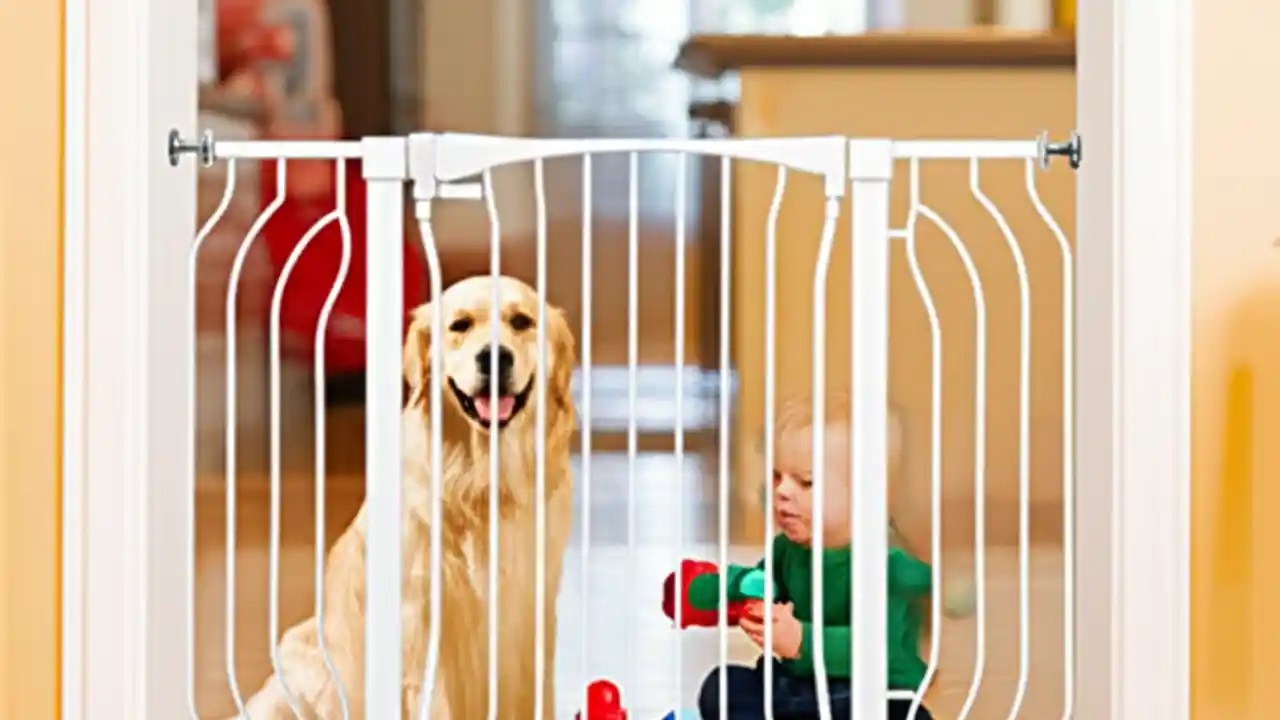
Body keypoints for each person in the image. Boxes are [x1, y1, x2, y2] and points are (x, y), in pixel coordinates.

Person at [690, 394, 935, 720]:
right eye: (777, 476)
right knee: (722, 687)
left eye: (805, 482)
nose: (781, 491)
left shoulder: (891, 564)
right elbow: (760, 585)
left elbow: (879, 648)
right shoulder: (788, 549)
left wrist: (800, 640)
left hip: (866, 695)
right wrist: (719, 589)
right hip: (795, 689)